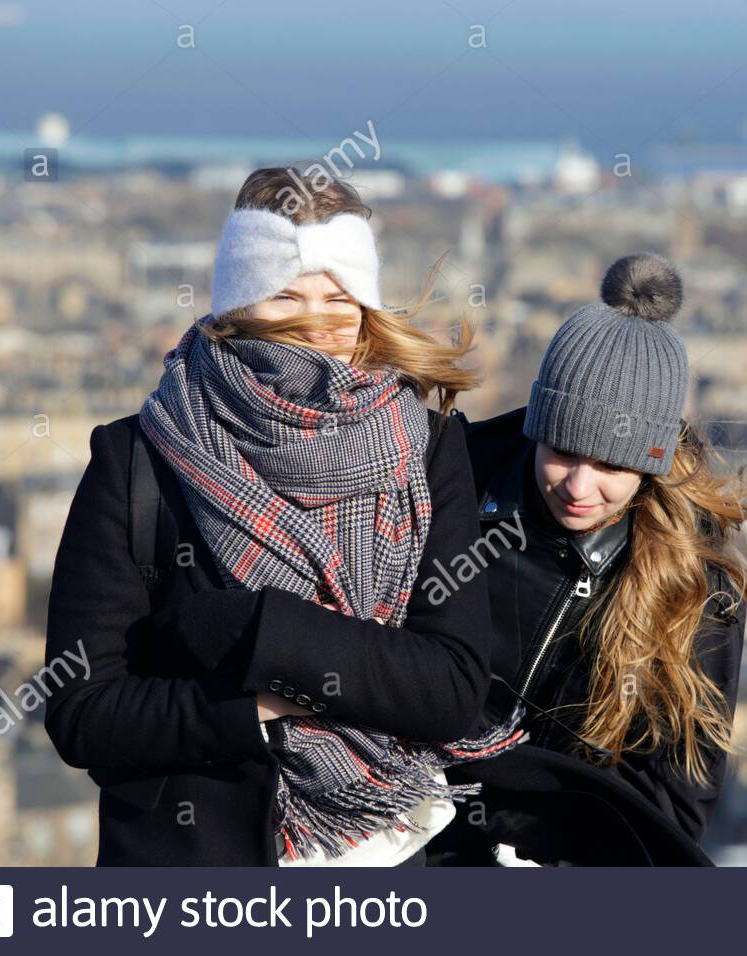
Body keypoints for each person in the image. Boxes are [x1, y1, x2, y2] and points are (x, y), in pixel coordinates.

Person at [43, 167, 522, 867]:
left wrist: (263, 634)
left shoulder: (428, 446)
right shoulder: (139, 455)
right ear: (235, 307)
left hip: (379, 862)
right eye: (286, 295)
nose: (317, 322)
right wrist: (249, 710)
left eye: (339, 297)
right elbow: (79, 711)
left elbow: (449, 687)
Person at [429, 252, 747, 865]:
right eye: (562, 450)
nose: (579, 487)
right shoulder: (448, 490)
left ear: (652, 463)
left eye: (611, 464)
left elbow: (670, 809)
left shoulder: (697, 594)